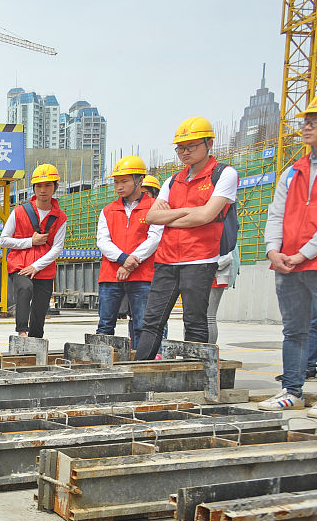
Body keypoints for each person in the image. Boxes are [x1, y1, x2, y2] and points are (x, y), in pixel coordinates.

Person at [260, 88, 317, 418]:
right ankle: (292, 390)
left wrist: (306, 252)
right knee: (294, 331)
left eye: (315, 120)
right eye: (305, 120)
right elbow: (275, 212)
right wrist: (273, 250)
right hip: (288, 263)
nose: (306, 126)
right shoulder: (294, 170)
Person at [135, 117, 238, 359]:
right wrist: (187, 213)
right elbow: (151, 217)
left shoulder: (224, 174)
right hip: (167, 259)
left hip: (200, 259)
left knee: (194, 321)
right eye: (181, 147)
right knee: (152, 320)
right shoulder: (173, 180)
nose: (185, 152)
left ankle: (194, 373)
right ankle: (139, 369)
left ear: (209, 143)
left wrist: (170, 217)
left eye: (191, 146)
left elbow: (207, 215)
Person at [95, 155, 161, 349]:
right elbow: (103, 241)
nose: (119, 187)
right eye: (116, 182)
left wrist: (133, 262)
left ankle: (142, 363)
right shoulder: (108, 210)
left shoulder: (154, 207)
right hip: (111, 274)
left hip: (142, 275)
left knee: (142, 324)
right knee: (105, 325)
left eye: (124, 181)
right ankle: (104, 364)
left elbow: (154, 237)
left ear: (140, 180)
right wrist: (125, 259)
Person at [1, 163, 66, 338]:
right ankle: (22, 331)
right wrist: (31, 241)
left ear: (55, 187)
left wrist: (36, 267)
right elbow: (4, 240)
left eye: (47, 185)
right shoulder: (19, 212)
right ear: (33, 188)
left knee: (39, 310)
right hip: (20, 264)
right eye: (38, 186)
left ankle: (35, 341)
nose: (43, 190)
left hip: (44, 269)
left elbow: (57, 248)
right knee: (25, 287)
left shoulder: (60, 218)